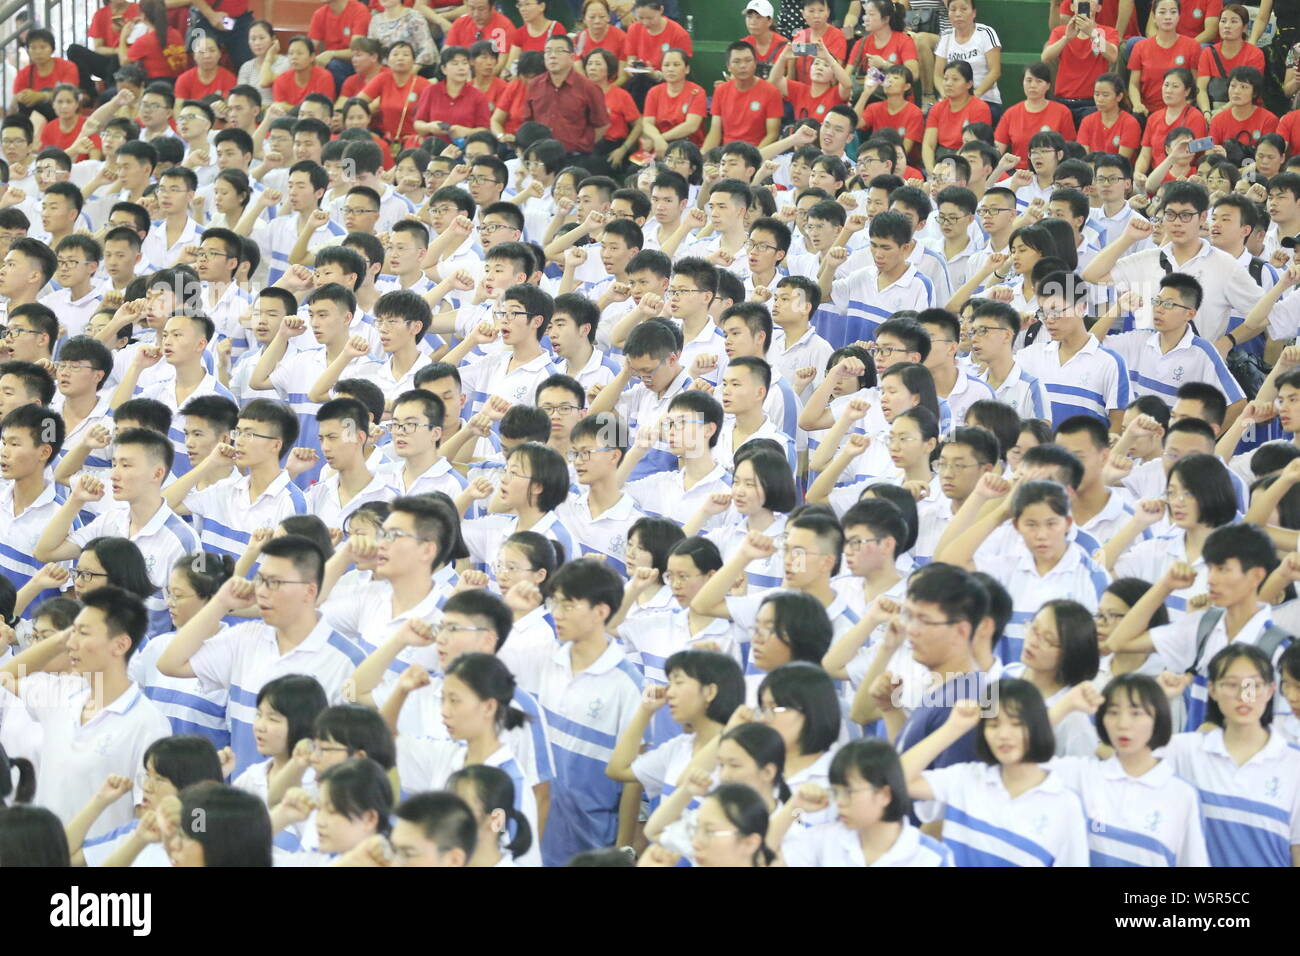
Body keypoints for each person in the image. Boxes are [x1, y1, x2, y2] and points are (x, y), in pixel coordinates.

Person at [155, 535, 365, 775]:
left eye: (274, 583)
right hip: (245, 803)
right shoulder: (244, 639)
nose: (262, 592)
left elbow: (355, 758)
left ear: (309, 591)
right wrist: (221, 602)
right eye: (260, 580)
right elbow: (169, 664)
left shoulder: (349, 662)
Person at [0, 586, 171, 841]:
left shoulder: (148, 723)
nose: (71, 642)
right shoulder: (61, 692)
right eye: (71, 632)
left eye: (83, 633)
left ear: (120, 644)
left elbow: (144, 819)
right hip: (44, 853)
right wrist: (58, 638)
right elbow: (6, 675)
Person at [900, 678, 1090, 866]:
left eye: (1016, 724)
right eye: (993, 725)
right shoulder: (965, 779)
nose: (1003, 735)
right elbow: (896, 779)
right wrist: (954, 727)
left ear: (1037, 727)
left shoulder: (1065, 806)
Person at [1159, 644, 1300, 867]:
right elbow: (1121, 756)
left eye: (1253, 685)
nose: (1244, 695)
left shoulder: (1295, 766)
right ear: (1212, 690)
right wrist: (1156, 698)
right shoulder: (1184, 751)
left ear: (1271, 690)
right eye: (1232, 684)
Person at [775, 738, 955, 866]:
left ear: (884, 794)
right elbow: (756, 860)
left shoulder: (931, 858)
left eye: (848, 792)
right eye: (835, 792)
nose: (839, 802)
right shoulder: (825, 838)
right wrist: (793, 807)